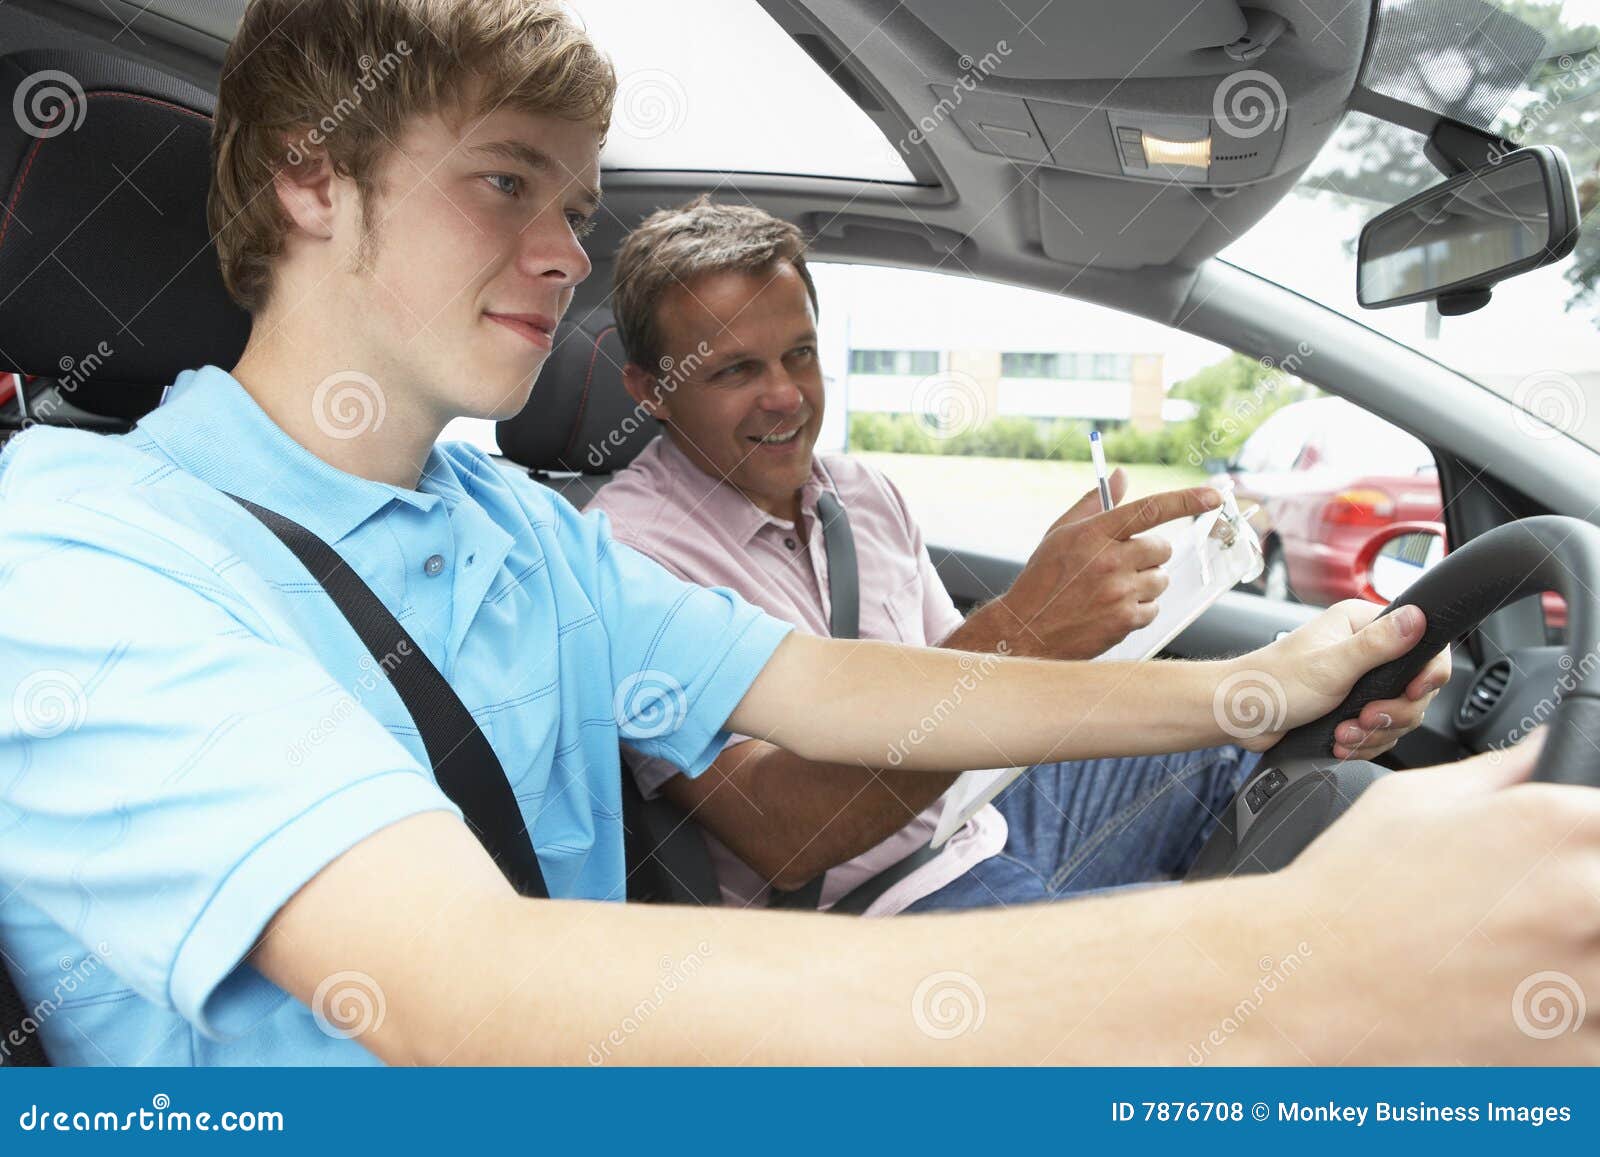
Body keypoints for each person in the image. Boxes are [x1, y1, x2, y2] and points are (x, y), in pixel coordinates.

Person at [0, 0, 1591, 1068]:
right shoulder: (75, 548)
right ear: (310, 181)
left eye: (577, 201)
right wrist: (1298, 969)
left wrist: (1262, 685)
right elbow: (458, 986)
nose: (565, 254)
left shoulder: (507, 526)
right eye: (509, 186)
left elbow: (848, 689)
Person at [589, 196, 1430, 914]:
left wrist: (1106, 622)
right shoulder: (625, 558)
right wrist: (1028, 624)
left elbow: (981, 703)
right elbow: (787, 836)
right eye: (735, 369)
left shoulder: (863, 496)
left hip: (980, 819)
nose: (785, 394)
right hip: (867, 917)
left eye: (799, 354)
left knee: (1263, 765)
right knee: (1210, 967)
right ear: (649, 391)